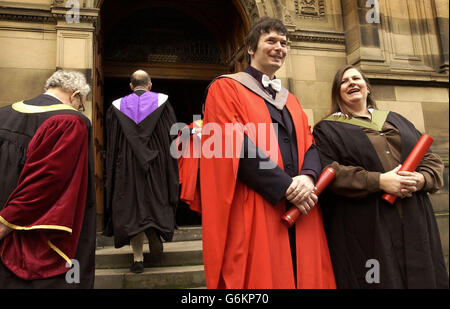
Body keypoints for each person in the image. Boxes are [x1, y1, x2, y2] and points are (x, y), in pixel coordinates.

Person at [200, 18, 336, 289]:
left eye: (284, 43)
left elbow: (309, 142)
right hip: (257, 202)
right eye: (271, 41)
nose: (279, 48)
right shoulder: (225, 87)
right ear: (251, 48)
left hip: (300, 204)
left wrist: (308, 177)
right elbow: (231, 144)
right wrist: (286, 186)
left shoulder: (290, 99)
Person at [313, 64, 449, 288]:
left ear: (368, 88)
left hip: (414, 216)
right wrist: (380, 181)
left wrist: (422, 178)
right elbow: (330, 171)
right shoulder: (327, 129)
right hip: (367, 223)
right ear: (338, 92)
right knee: (377, 279)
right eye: (344, 81)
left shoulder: (396, 120)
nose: (352, 83)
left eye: (357, 78)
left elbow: (431, 159)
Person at [0, 70, 96, 288]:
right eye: (81, 104)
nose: (80, 109)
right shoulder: (70, 121)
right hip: (36, 230)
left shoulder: (4, 114)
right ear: (75, 96)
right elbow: (47, 180)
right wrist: (5, 224)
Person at [104, 70, 179, 274]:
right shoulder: (163, 104)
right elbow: (172, 135)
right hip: (156, 163)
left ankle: (137, 259)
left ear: (130, 86)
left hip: (128, 165)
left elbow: (112, 142)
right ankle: (153, 229)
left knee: (132, 207)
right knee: (155, 200)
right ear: (149, 85)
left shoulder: (117, 107)